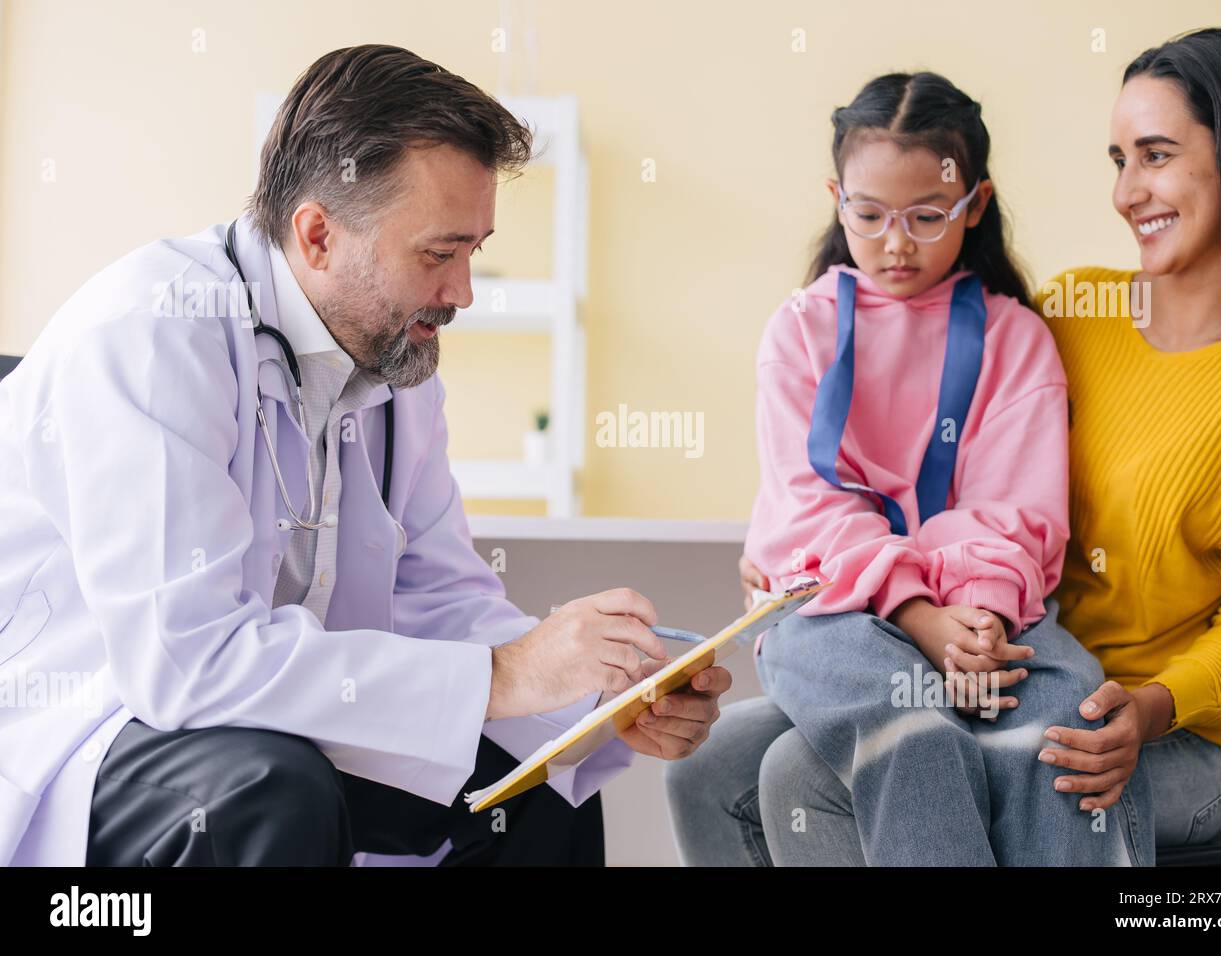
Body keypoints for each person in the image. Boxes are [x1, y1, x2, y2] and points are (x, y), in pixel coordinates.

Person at [0, 44, 729, 867]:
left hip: (271, 724)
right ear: (316, 235)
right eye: (437, 254)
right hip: (93, 730)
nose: (462, 293)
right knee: (271, 789)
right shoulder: (155, 332)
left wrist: (593, 695)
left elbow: (445, 604)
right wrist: (503, 677)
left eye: (472, 253)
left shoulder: (394, 367)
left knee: (531, 788)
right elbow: (187, 666)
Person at [721, 28, 1221, 867]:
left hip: (1158, 728)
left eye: (1157, 155)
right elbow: (932, 471)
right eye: (1117, 160)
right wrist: (795, 557)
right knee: (728, 766)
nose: (1129, 192)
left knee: (828, 774)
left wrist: (1148, 708)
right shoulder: (1074, 315)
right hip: (1004, 657)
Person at [666, 70, 1133, 866]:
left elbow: (1017, 512)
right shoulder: (800, 332)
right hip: (831, 612)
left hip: (988, 613)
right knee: (908, 731)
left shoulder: (1014, 339)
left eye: (926, 217)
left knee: (1065, 727)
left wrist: (978, 613)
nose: (894, 243)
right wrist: (920, 617)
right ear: (835, 198)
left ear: (974, 205)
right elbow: (809, 516)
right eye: (869, 214)